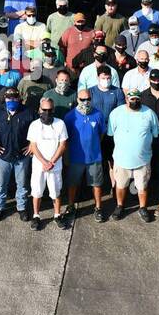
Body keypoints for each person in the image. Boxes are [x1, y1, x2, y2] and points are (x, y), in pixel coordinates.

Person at [107, 88, 159, 222]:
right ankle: (120, 206)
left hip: (143, 160)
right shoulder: (116, 113)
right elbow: (110, 134)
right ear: (126, 99)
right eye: (132, 99)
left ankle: (143, 208)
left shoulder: (149, 113)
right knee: (120, 185)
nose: (135, 101)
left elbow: (155, 133)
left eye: (137, 99)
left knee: (142, 187)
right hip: (121, 159)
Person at [0, 87, 34, 221]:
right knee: (1, 184)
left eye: (14, 97)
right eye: (9, 98)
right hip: (3, 156)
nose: (12, 100)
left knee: (22, 184)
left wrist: (32, 144)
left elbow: (37, 128)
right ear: (5, 99)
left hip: (22, 155)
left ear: (19, 98)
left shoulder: (28, 112)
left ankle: (21, 208)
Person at [64, 89, 107, 223]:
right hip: (75, 158)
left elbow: (101, 134)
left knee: (97, 184)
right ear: (77, 99)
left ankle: (98, 208)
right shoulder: (70, 116)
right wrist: (66, 157)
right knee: (72, 184)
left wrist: (93, 146)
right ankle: (71, 206)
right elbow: (65, 138)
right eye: (82, 99)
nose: (86, 102)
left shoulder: (98, 115)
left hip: (94, 158)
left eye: (88, 99)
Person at [25, 97, 68, 230]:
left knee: (56, 192)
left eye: (50, 110)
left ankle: (57, 215)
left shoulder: (60, 124)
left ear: (53, 109)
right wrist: (44, 162)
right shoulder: (34, 125)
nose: (47, 112)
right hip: (39, 166)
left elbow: (63, 145)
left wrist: (52, 162)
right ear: (39, 109)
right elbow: (33, 146)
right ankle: (36, 216)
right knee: (36, 192)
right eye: (44, 110)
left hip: (55, 166)